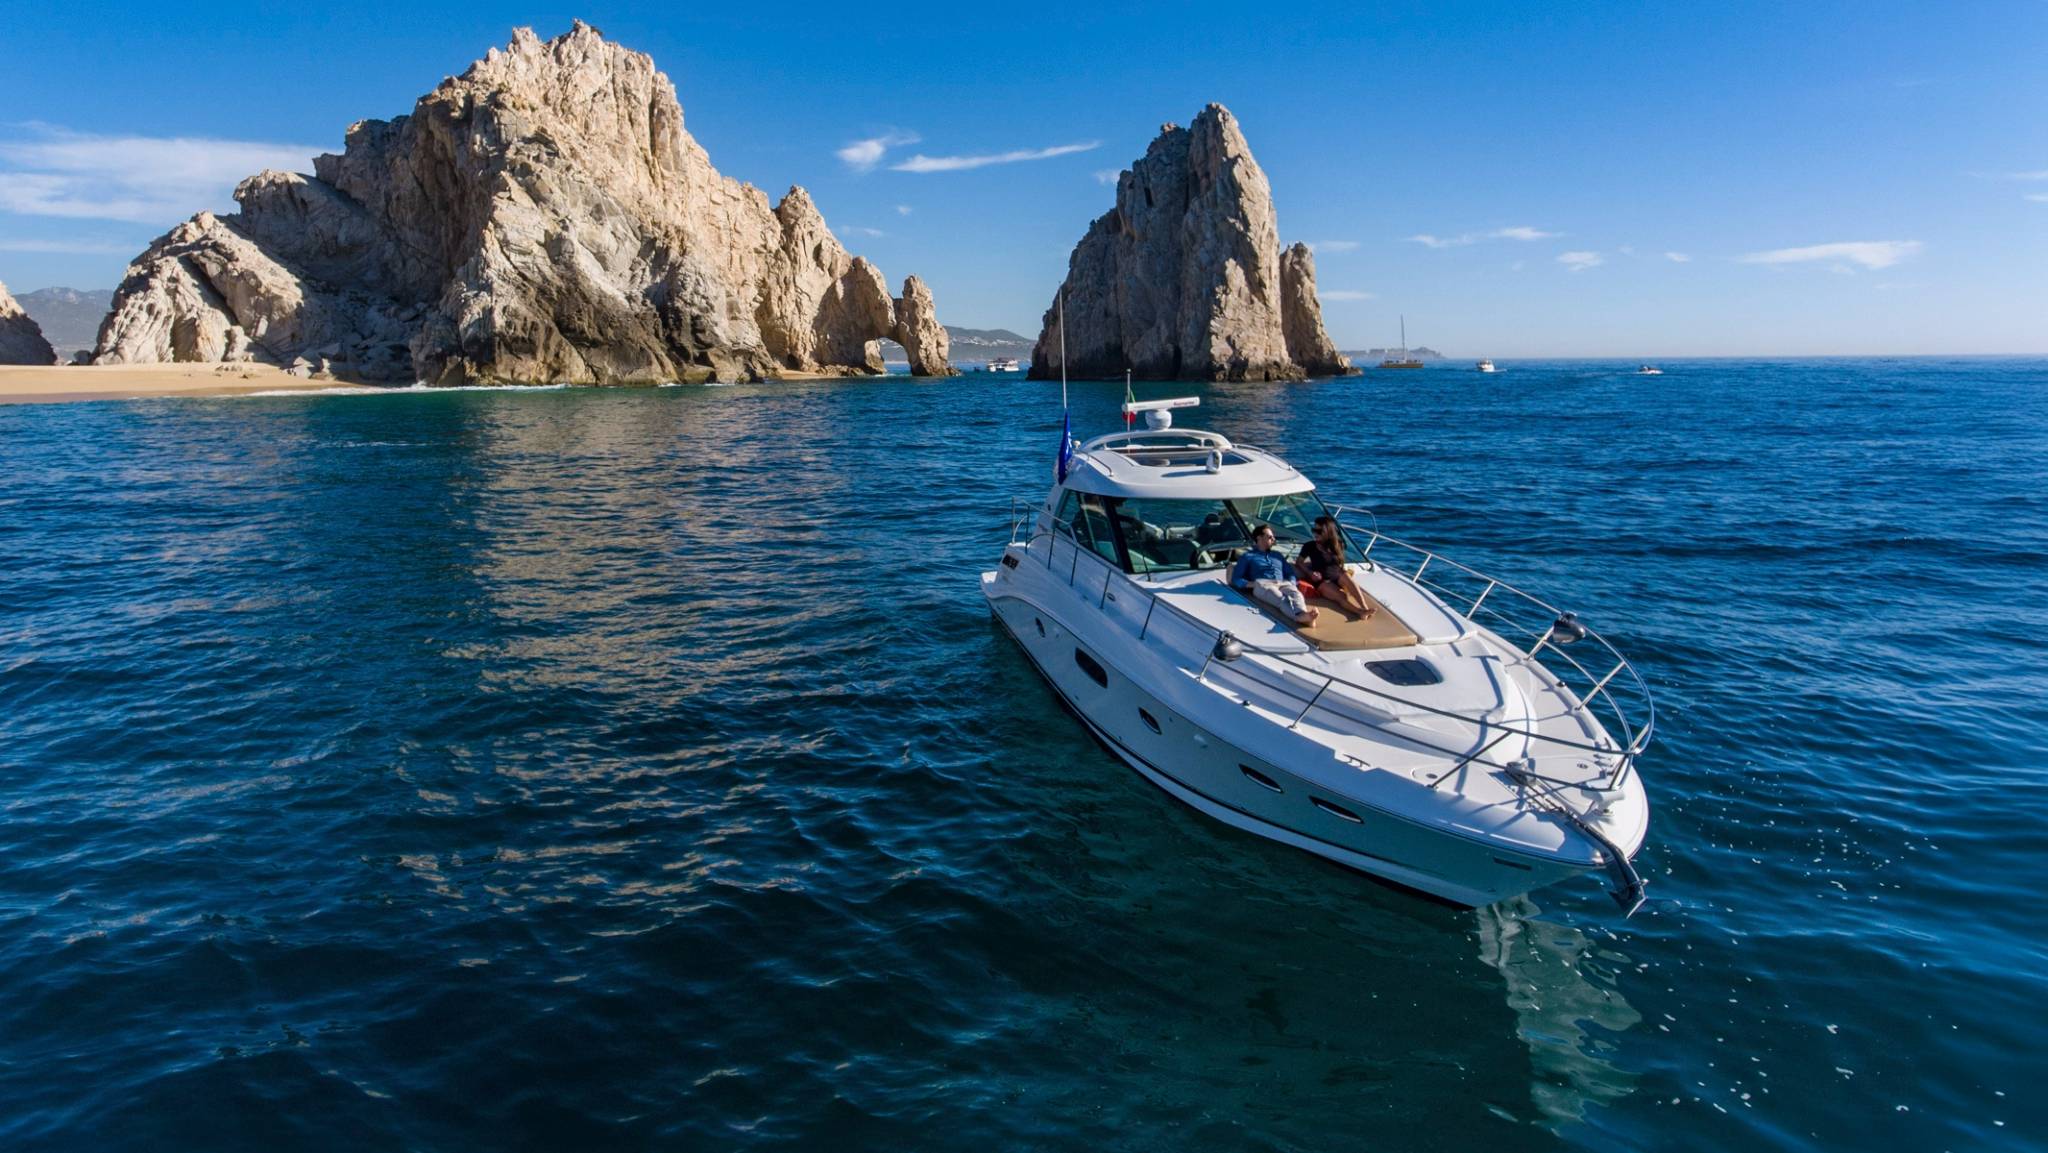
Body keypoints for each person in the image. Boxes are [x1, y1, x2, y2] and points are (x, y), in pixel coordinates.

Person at [1230, 524, 1320, 625]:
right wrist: (1253, 584)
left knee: (1296, 594)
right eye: (1270, 537)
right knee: (1280, 598)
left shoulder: (1277, 555)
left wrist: (1292, 582)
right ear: (1259, 538)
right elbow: (1236, 578)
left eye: (1273, 537)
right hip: (1263, 584)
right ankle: (1300, 617)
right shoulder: (1248, 556)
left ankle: (1303, 614)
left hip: (1282, 583)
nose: (1273, 539)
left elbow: (1289, 573)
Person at [1297, 515, 1375, 618]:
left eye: (1319, 531)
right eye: (1314, 530)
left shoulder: (1337, 544)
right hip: (1322, 581)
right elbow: (1299, 562)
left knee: (1349, 581)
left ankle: (1364, 607)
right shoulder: (1309, 546)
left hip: (1337, 574)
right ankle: (1359, 612)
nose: (1315, 533)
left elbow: (1336, 563)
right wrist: (1310, 573)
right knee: (1341, 597)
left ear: (1328, 532)